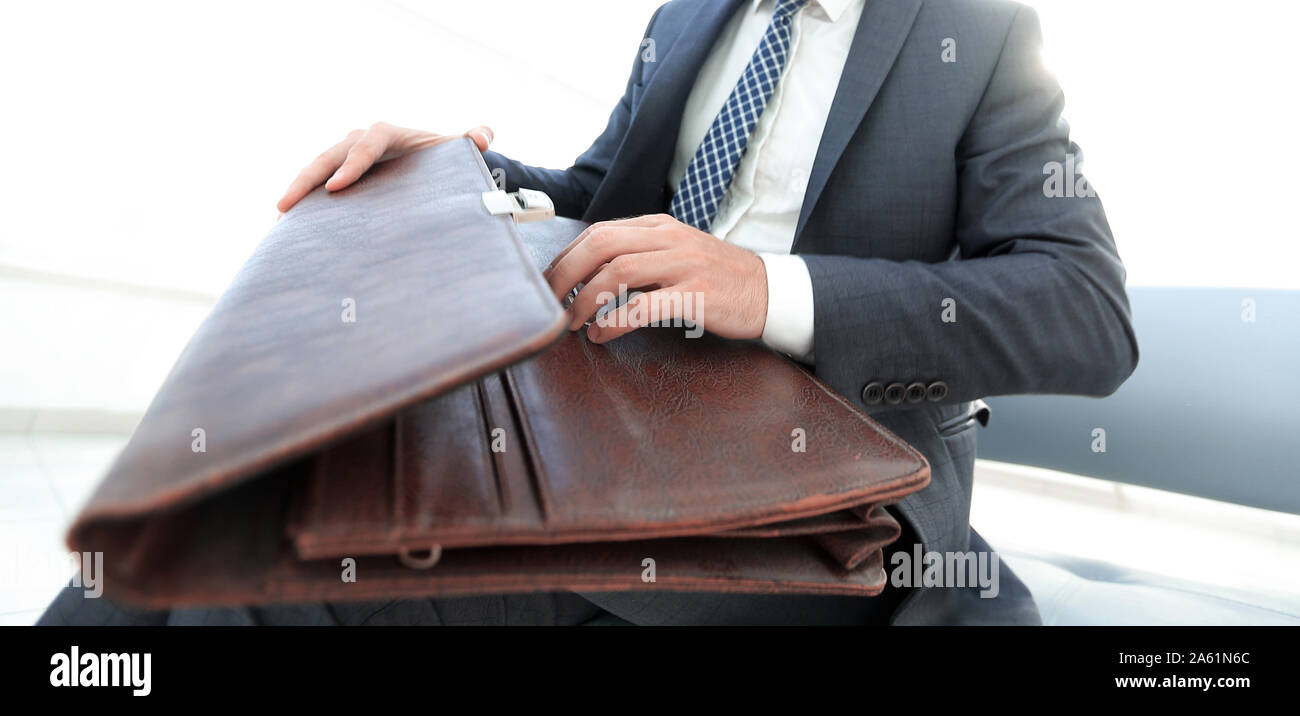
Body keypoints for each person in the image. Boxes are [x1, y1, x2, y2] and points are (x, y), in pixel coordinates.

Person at [42, 0, 1136, 626]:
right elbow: (598, 187)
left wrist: (764, 288)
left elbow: (1085, 307)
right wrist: (465, 170)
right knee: (211, 514)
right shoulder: (693, 14)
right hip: (612, 409)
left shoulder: (975, 29)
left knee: (271, 585)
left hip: (816, 490)